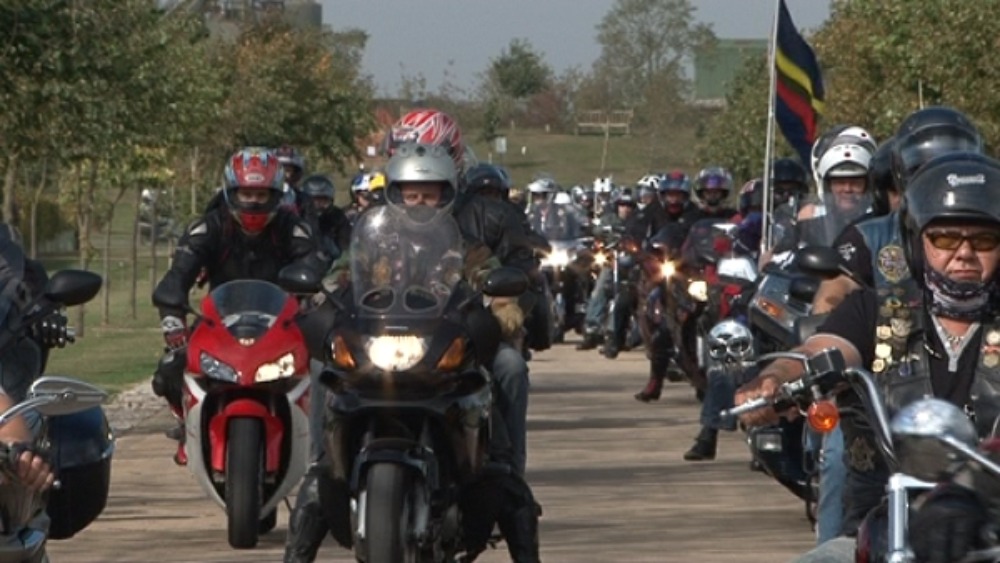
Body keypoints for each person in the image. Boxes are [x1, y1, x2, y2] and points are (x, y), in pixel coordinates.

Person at [736, 151, 1000, 562]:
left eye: (983, 240)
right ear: (917, 242)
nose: (964, 253)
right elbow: (817, 352)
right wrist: (776, 380)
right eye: (946, 238)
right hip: (880, 524)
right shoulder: (873, 310)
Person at [286, 143, 540, 563]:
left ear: (447, 194)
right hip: (382, 345)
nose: (420, 201)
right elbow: (337, 278)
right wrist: (319, 299)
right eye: (411, 192)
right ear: (395, 194)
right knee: (321, 365)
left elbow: (497, 282)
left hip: (446, 346)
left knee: (510, 365)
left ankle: (507, 469)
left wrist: (503, 310)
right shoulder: (372, 242)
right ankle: (323, 465)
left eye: (431, 192)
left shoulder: (466, 246)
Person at [151, 148, 325, 465]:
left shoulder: (292, 228)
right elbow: (177, 277)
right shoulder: (208, 228)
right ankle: (186, 424)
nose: (254, 202)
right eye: (247, 193)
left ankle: (319, 449)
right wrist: (172, 318)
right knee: (170, 368)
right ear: (231, 192)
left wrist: (309, 281)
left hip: (282, 325)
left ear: (276, 194)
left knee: (326, 369)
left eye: (262, 194)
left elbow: (312, 264)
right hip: (220, 323)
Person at [577, 188, 637, 352]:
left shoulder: (639, 221)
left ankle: (623, 332)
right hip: (613, 261)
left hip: (635, 265)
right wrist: (601, 235)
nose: (626, 209)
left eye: (629, 205)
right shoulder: (609, 219)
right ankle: (592, 330)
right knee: (600, 289)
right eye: (623, 205)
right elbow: (597, 231)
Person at [300, 174, 351, 260]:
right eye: (313, 201)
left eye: (323, 200)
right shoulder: (298, 217)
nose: (318, 205)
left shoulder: (337, 216)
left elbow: (346, 246)